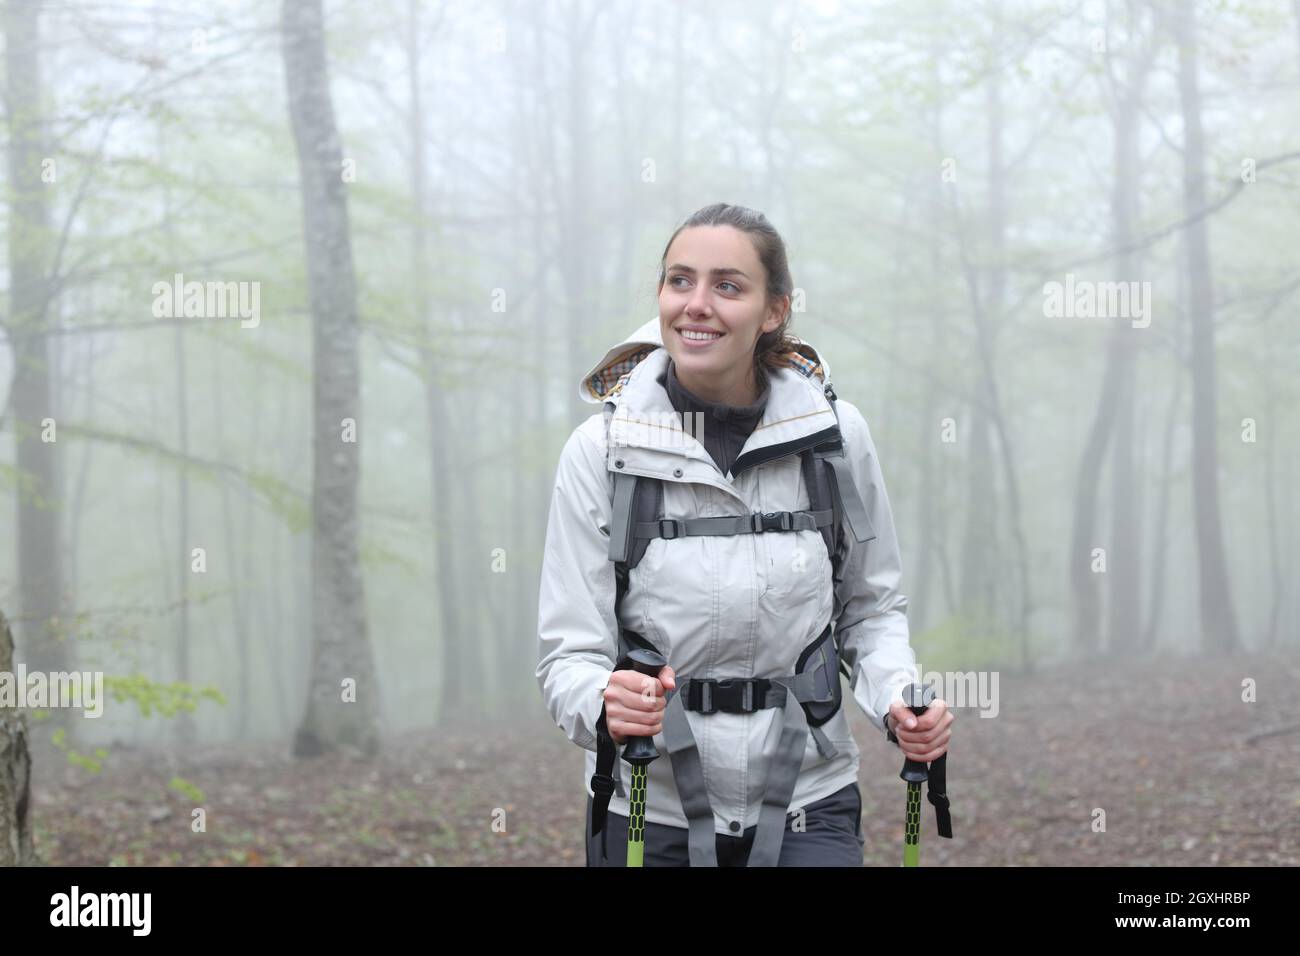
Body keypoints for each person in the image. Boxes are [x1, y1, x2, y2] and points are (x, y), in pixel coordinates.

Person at [537, 202, 953, 867]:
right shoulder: (601, 451)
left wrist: (900, 699)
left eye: (727, 286)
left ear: (773, 310)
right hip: (650, 802)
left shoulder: (837, 440)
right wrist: (603, 702)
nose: (697, 304)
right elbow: (569, 655)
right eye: (680, 280)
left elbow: (871, 611)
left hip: (809, 799)